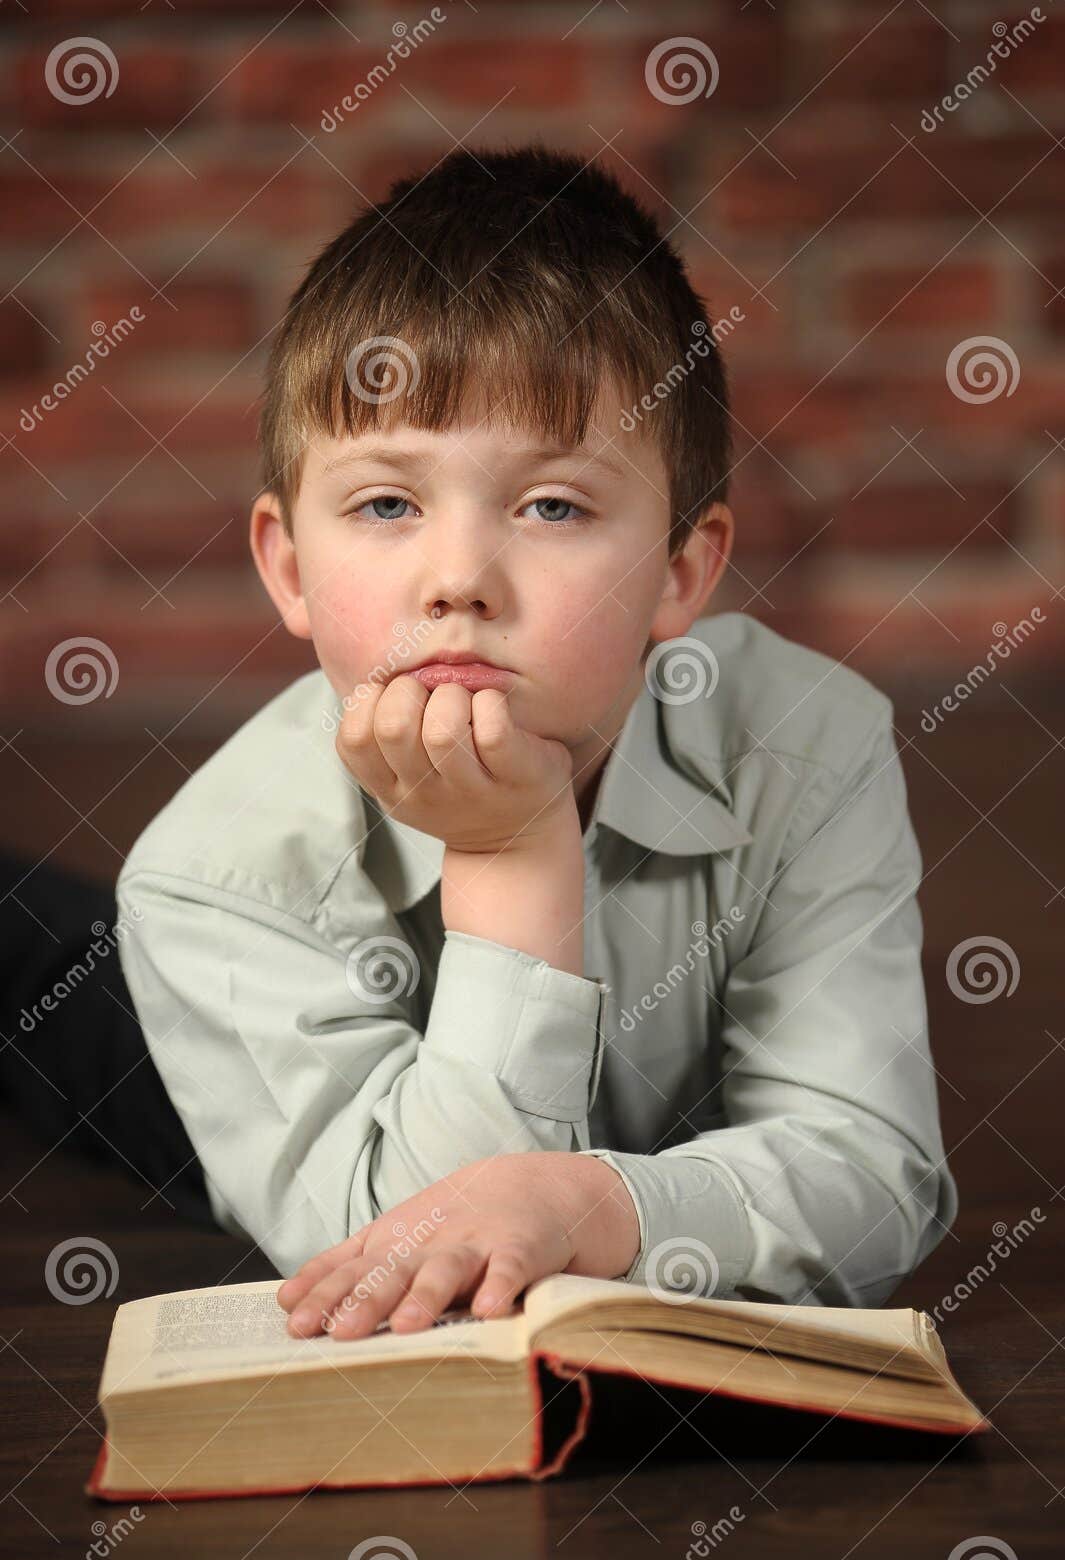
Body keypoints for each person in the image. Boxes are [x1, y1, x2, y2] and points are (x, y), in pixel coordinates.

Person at [1, 142, 956, 1342]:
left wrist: (583, 1200)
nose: (459, 579)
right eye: (387, 503)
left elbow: (875, 1173)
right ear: (290, 568)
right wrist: (514, 860)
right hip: (242, 1061)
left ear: (680, 572)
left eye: (552, 505)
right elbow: (420, 1269)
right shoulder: (210, 883)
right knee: (45, 985)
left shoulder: (808, 746)